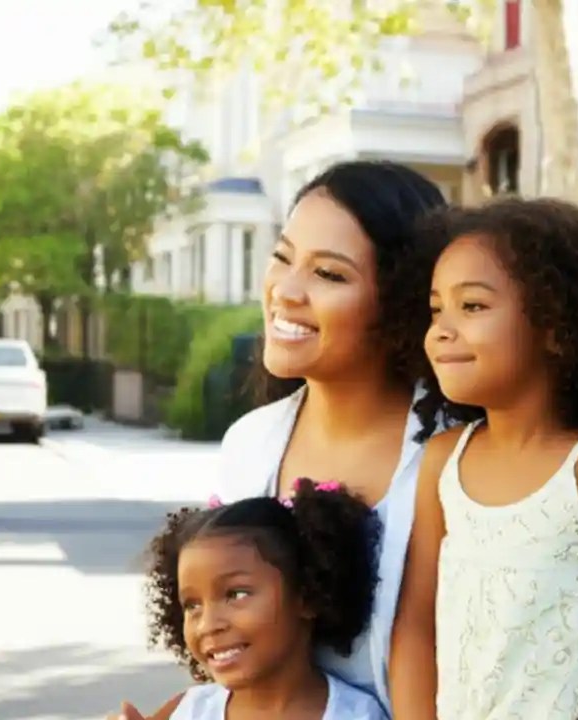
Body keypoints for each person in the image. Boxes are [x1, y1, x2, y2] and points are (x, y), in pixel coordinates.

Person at [390, 198, 578, 720]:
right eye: (435, 309)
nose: (442, 330)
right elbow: (414, 629)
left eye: (471, 307)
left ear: (557, 327)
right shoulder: (443, 463)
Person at [214, 160, 449, 715]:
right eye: (282, 257)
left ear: (400, 302)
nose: (286, 290)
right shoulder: (249, 446)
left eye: (330, 274)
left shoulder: (464, 455)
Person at [115, 479, 386, 719]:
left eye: (236, 594)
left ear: (306, 595)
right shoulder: (189, 710)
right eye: (192, 605)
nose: (208, 624)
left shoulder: (357, 714)